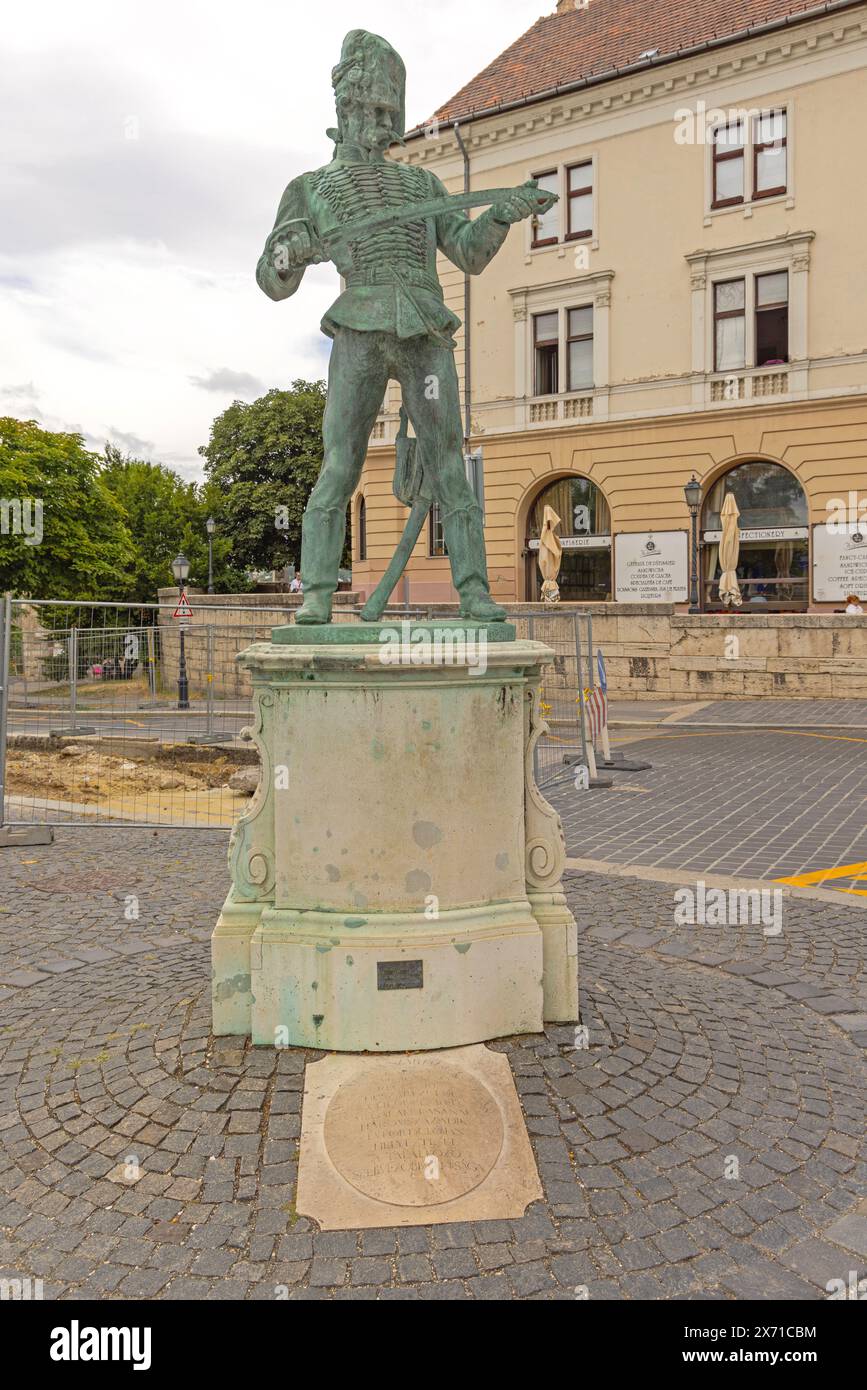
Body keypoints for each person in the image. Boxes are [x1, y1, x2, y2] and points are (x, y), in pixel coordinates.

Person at [256, 29, 554, 625]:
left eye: (383, 111)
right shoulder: (309, 188)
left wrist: (499, 215)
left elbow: (467, 254)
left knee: (449, 462)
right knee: (340, 463)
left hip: (425, 334)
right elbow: (272, 279)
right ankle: (316, 594)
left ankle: (474, 591)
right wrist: (293, 252)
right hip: (360, 332)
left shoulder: (423, 184)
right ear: (342, 110)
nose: (374, 119)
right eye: (364, 109)